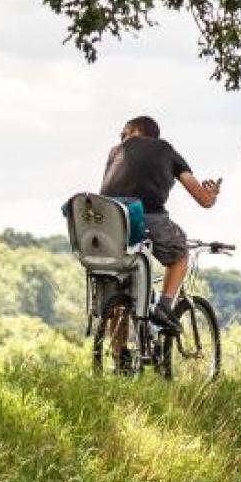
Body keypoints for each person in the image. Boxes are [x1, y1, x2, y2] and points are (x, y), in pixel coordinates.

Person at [98, 115, 220, 333]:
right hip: (147, 217)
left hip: (110, 223)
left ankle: (120, 359)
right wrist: (211, 194)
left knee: (123, 283)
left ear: (135, 131)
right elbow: (203, 200)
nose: (122, 138)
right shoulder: (168, 152)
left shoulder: (115, 152)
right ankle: (164, 306)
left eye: (123, 133)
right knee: (180, 251)